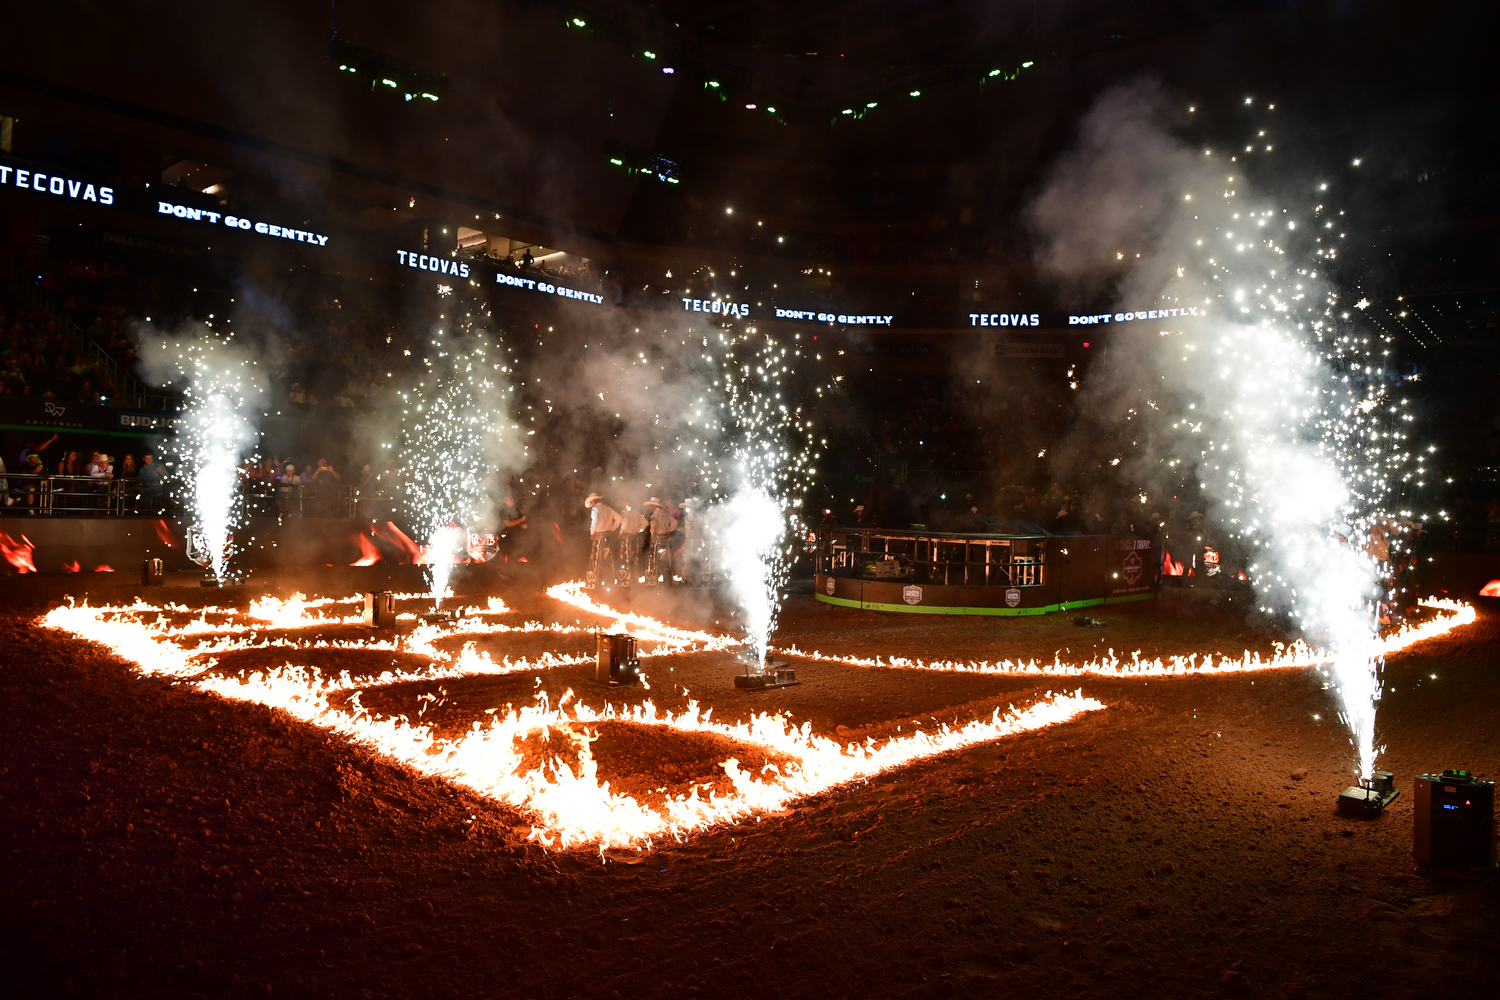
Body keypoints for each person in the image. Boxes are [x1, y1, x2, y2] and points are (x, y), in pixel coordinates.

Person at [584, 492, 622, 588]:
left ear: (593, 501)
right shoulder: (608, 509)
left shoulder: (595, 509)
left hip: (599, 537)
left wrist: (592, 533)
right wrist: (612, 529)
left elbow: (595, 520)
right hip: (608, 537)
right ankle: (610, 583)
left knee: (595, 559)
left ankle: (592, 583)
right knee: (608, 560)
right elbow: (619, 519)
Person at [645, 497, 679, 585]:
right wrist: (668, 530)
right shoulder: (665, 514)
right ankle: (667, 582)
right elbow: (675, 523)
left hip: (658, 540)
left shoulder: (654, 516)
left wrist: (653, 536)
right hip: (665, 540)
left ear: (653, 506)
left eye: (650, 506)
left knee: (656, 560)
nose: (649, 508)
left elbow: (653, 526)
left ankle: (657, 582)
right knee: (666, 560)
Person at [618, 503, 649, 585]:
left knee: (627, 557)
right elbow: (646, 523)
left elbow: (625, 522)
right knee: (635, 557)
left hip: (628, 537)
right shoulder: (636, 513)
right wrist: (638, 530)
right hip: (635, 537)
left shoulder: (626, 512)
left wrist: (621, 532)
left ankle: (628, 579)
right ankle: (634, 578)